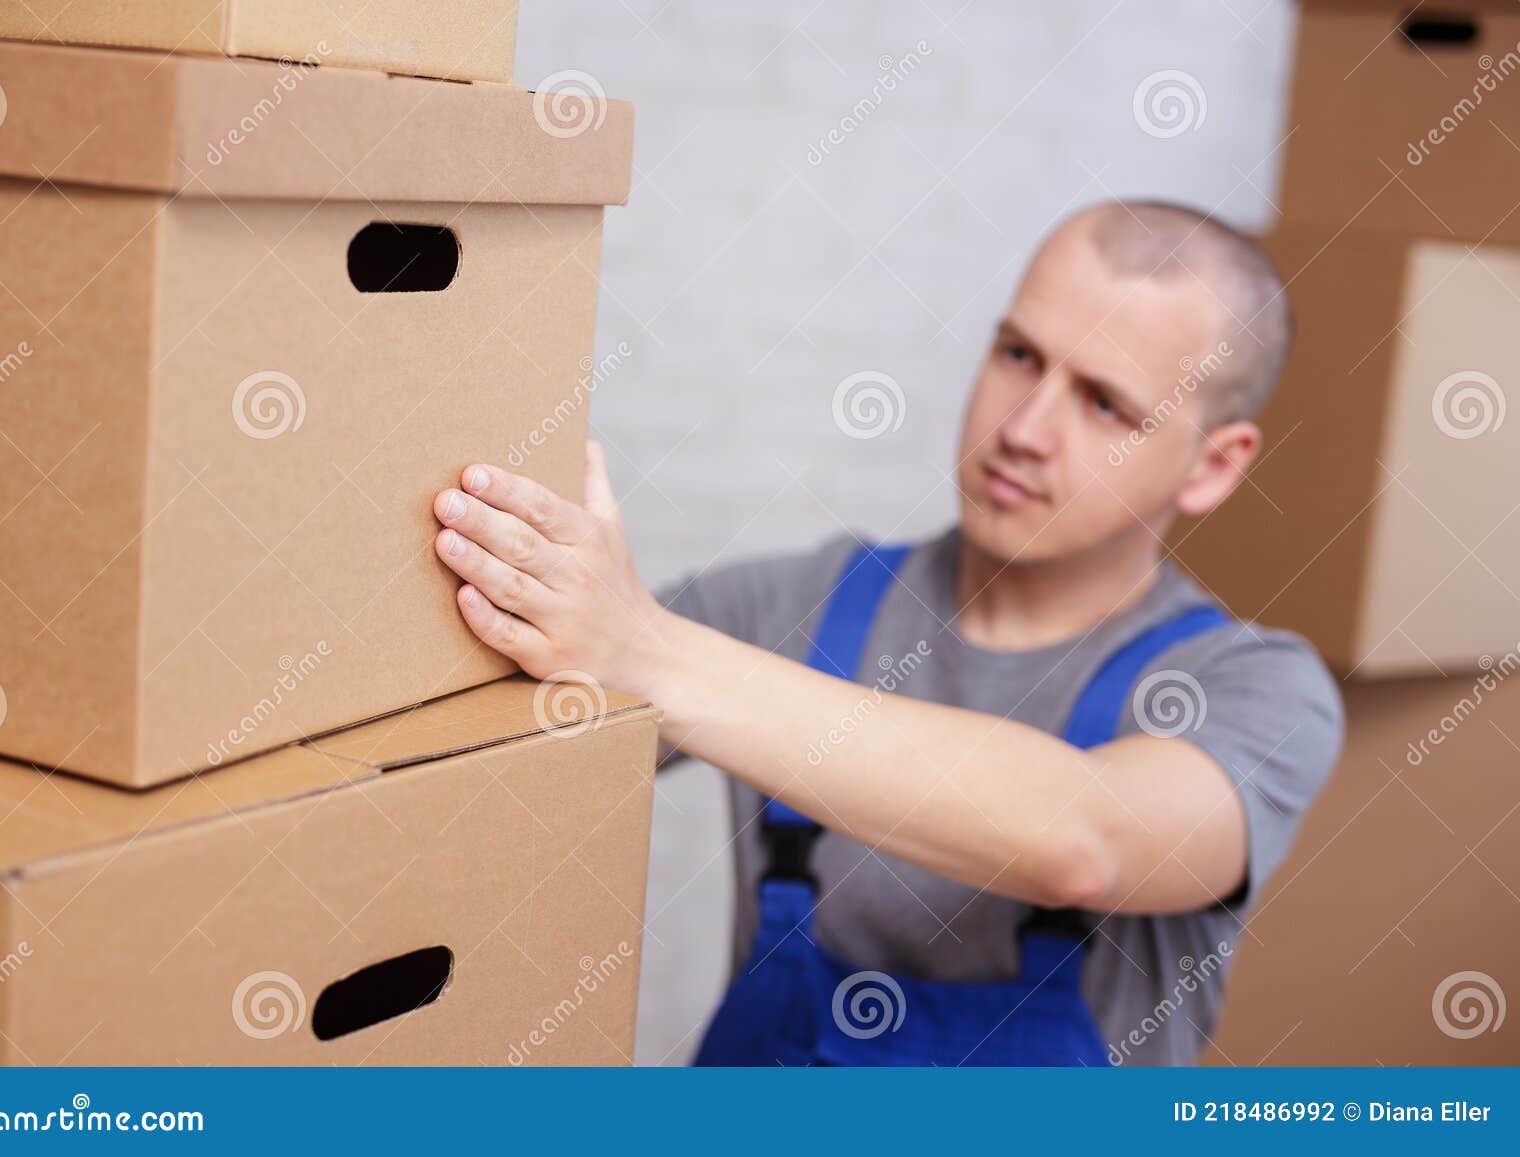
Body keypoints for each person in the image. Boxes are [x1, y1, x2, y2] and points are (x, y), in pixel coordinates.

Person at [427, 200, 1344, 1066]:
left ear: (1214, 467)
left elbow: (1083, 839)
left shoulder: (1252, 690)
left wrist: (644, 652)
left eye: (1105, 404)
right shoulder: (784, 607)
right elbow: (474, 777)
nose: (1023, 428)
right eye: (1019, 355)